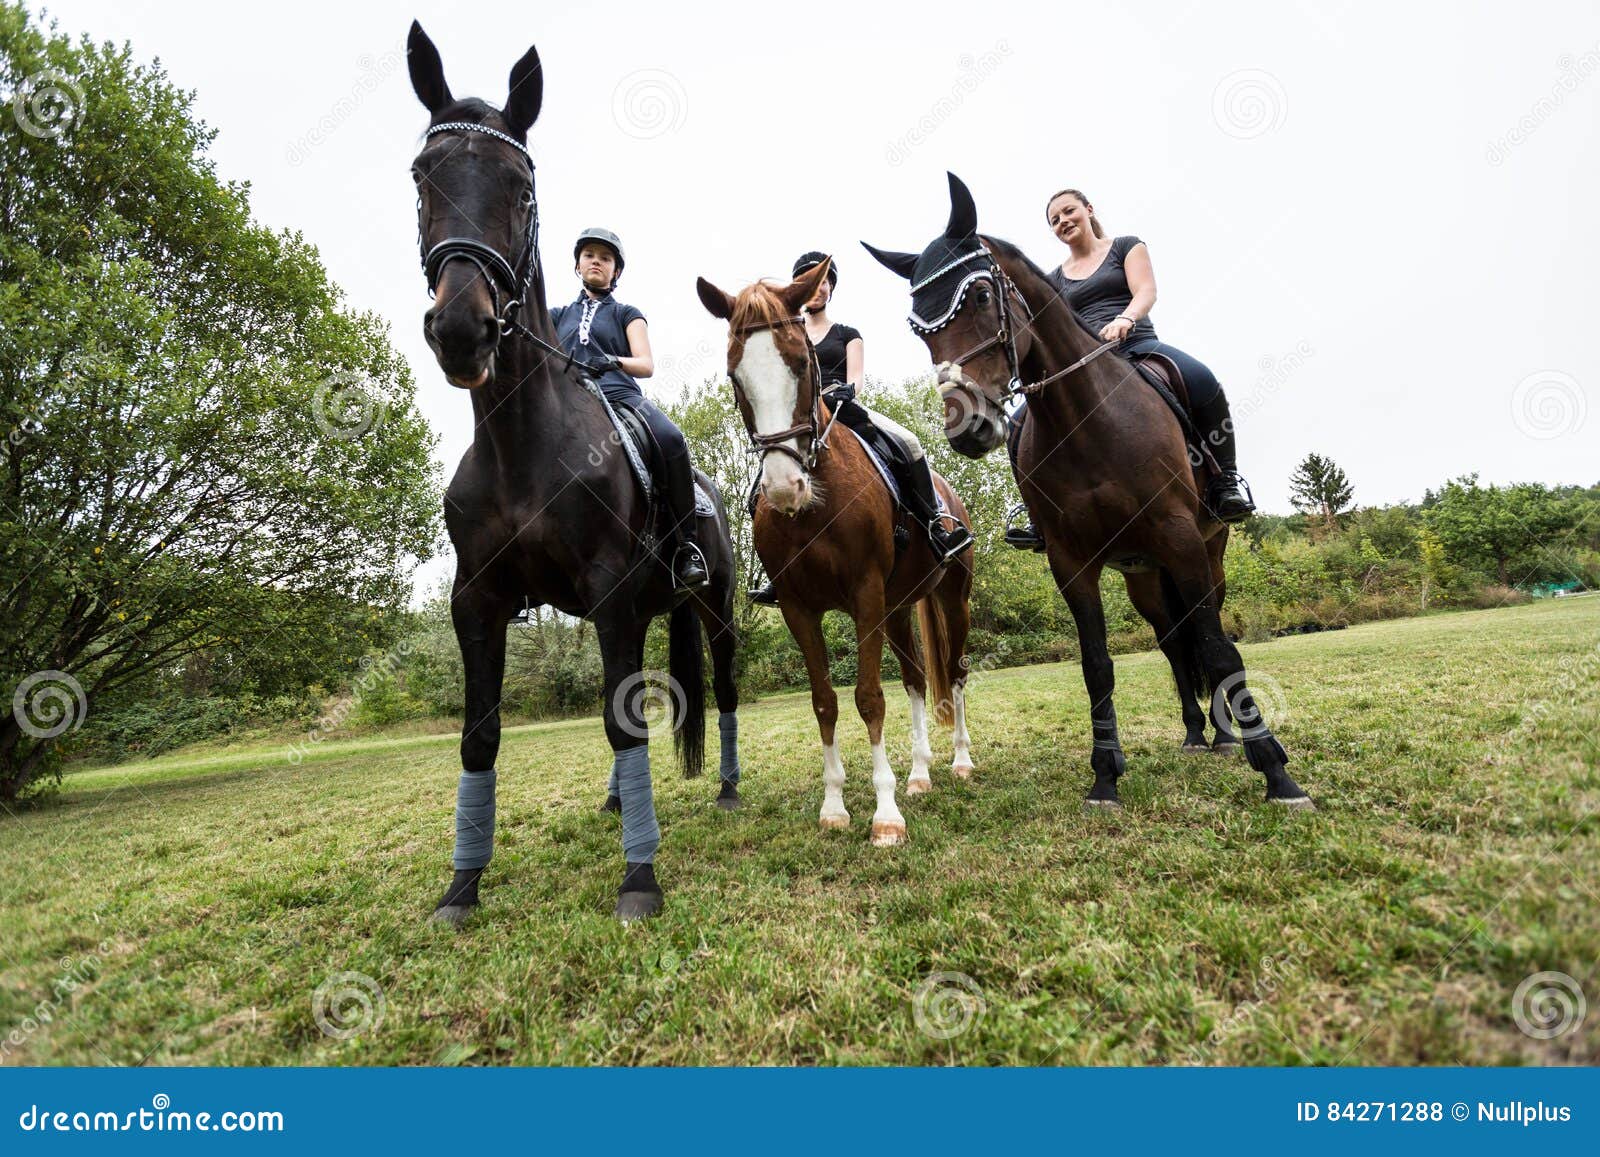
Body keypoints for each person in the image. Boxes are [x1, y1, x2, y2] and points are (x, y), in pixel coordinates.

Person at [1004, 189, 1256, 551]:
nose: (1063, 221)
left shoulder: (1125, 246)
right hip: (1082, 367)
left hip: (1137, 346)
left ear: (1089, 210)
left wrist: (1126, 318)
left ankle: (1225, 482)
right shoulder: (1054, 279)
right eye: (1054, 220)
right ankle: (1036, 515)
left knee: (1202, 379)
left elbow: (1146, 290)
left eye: (1068, 211)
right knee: (1016, 424)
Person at [749, 251, 973, 605]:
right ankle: (775, 570)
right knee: (758, 487)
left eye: (825, 281)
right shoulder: (786, 334)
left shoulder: (847, 334)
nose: (819, 287)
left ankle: (935, 526)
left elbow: (857, 380)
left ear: (831, 288)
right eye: (811, 280)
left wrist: (841, 391)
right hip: (801, 421)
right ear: (798, 288)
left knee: (909, 444)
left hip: (843, 411)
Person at [551, 227, 707, 590]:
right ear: (578, 264)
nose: (596, 261)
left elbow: (646, 364)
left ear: (615, 271)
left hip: (620, 395)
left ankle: (687, 546)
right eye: (589, 255)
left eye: (605, 258)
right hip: (568, 403)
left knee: (671, 439)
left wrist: (613, 361)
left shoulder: (627, 312)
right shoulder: (557, 315)